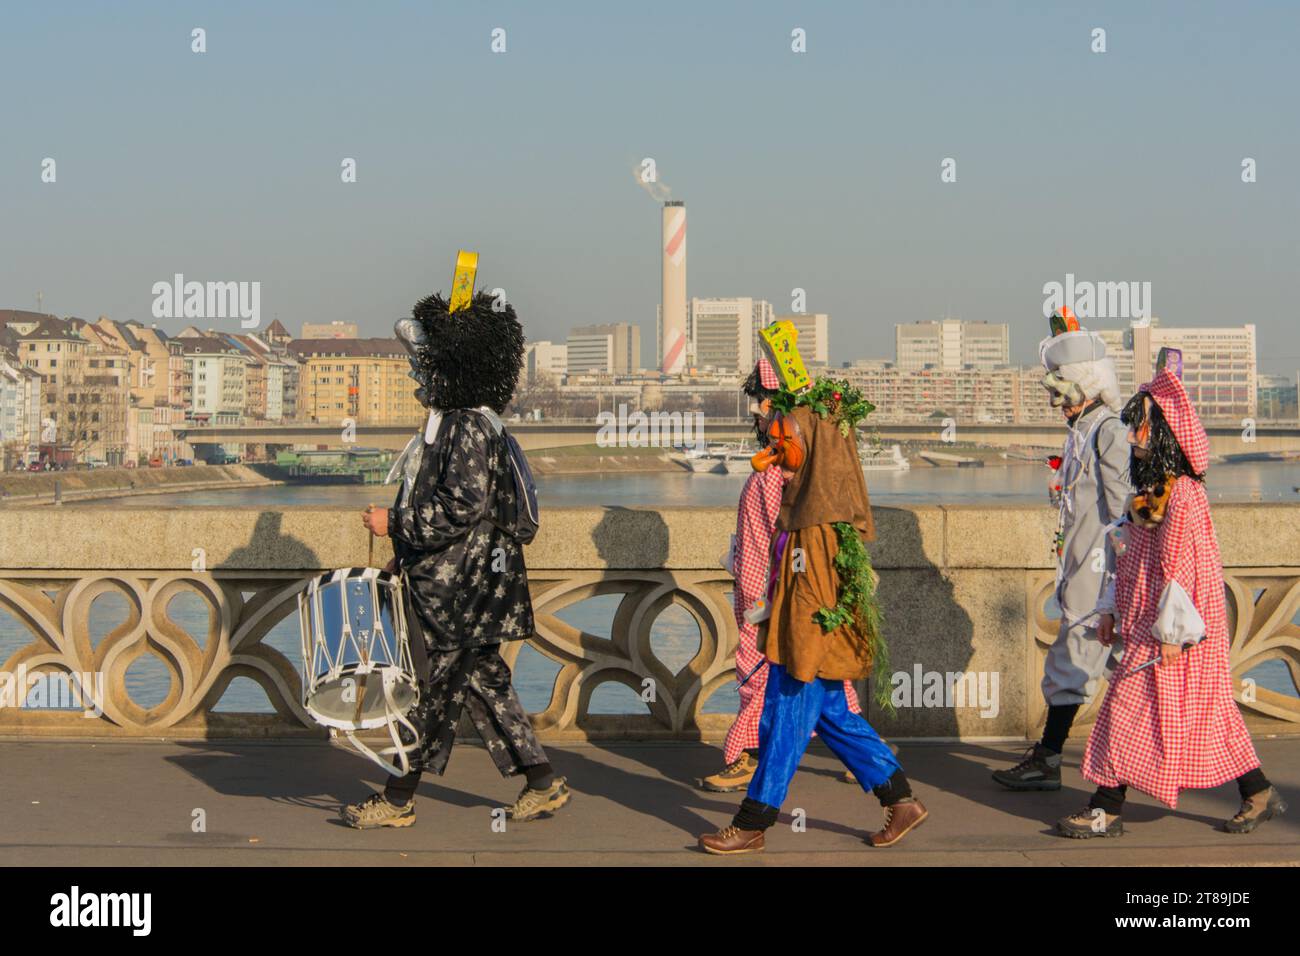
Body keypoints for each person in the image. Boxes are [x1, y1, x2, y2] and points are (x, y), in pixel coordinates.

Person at [341, 281, 570, 829]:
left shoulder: (464, 425)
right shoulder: (477, 420)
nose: (416, 375)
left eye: (423, 364)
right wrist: (405, 554)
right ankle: (543, 783)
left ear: (450, 368)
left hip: (457, 593)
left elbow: (459, 507)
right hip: (471, 586)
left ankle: (397, 800)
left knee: (429, 690)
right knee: (484, 684)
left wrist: (391, 523)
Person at [698, 330, 926, 855]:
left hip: (804, 639)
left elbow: (809, 592)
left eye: (785, 438)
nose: (774, 444)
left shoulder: (813, 524)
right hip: (800, 634)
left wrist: (775, 626)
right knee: (836, 718)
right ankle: (901, 799)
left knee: (781, 723)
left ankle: (753, 822)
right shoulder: (807, 507)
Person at [1058, 350, 1287, 837]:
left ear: (1163, 432)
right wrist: (1110, 611)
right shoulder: (1149, 492)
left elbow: (1181, 570)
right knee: (1210, 720)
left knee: (1127, 711)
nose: (1133, 435)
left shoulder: (1182, 495)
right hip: (1150, 626)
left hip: (1172, 636)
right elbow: (1128, 556)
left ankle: (1106, 808)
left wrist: (1171, 635)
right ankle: (1258, 791)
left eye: (1141, 427)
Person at [699, 358, 863, 794]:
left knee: (758, 668)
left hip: (770, 595)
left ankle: (747, 757)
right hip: (803, 589)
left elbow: (767, 547)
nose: (756, 411)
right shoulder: (809, 469)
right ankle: (865, 760)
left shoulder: (772, 477)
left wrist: (758, 601)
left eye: (761, 402)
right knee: (826, 673)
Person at [994, 308, 1131, 791]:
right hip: (1083, 573)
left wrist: (1117, 584)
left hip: (1102, 578)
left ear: (1086, 385)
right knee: (1084, 662)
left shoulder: (1109, 432)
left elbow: (1123, 514)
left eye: (1059, 391)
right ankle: (1058, 762)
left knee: (1078, 660)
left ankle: (1057, 763)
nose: (1055, 402)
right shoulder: (1082, 433)